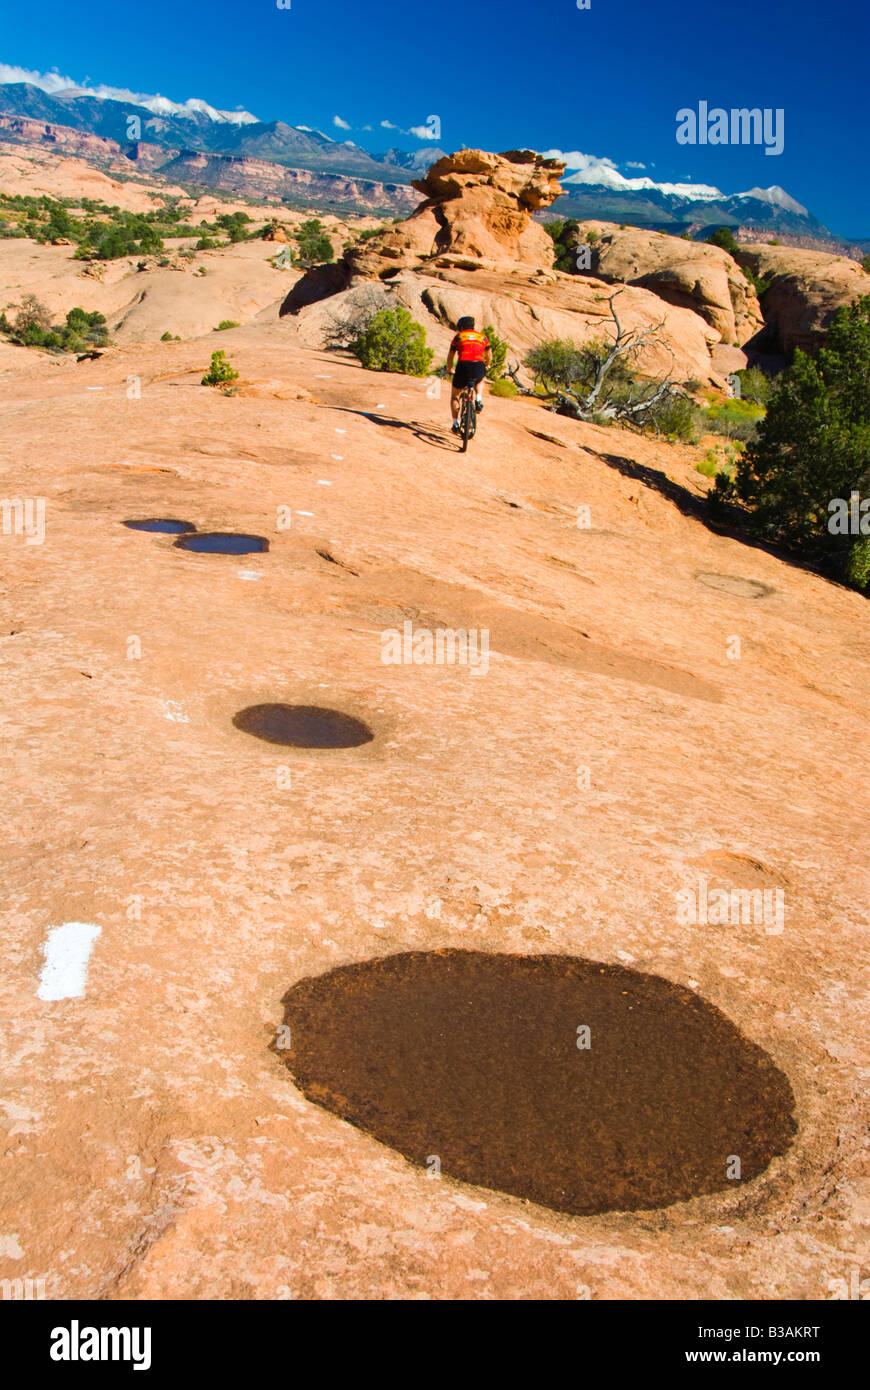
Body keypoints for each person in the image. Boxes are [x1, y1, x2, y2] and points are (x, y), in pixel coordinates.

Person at [445, 316, 492, 433]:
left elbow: (450, 356)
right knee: (481, 379)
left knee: (455, 396)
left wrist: (450, 369)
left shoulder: (458, 337)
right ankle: (478, 399)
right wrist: (487, 365)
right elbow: (489, 354)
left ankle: (455, 424)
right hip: (478, 365)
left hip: (463, 366)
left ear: (461, 327)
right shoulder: (483, 337)